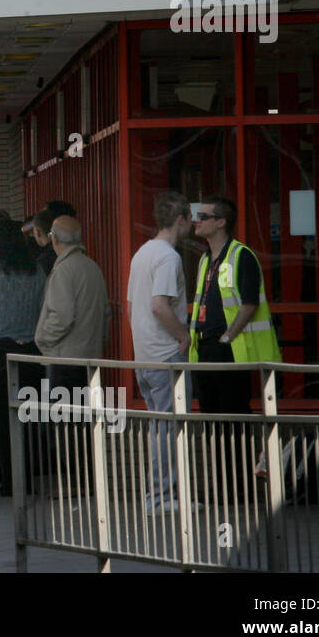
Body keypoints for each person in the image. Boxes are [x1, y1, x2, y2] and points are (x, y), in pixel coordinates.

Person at [127, 190, 194, 515]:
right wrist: (184, 337)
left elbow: (132, 307)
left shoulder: (142, 253)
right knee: (169, 428)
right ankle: (162, 498)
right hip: (166, 355)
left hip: (144, 355)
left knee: (159, 427)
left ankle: (158, 495)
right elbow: (159, 305)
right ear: (180, 219)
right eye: (190, 219)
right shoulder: (169, 257)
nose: (192, 226)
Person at [189, 196, 280, 411]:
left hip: (229, 349)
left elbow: (250, 304)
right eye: (197, 216)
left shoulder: (241, 255)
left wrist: (227, 337)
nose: (197, 221)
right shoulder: (205, 258)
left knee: (233, 411)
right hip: (205, 348)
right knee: (209, 413)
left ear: (221, 222)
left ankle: (237, 446)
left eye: (203, 216)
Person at [0, 220, 47, 495]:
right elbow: (43, 311)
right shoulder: (37, 272)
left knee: (4, 418)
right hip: (30, 352)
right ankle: (28, 478)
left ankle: (10, 481)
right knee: (28, 418)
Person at [35, 215, 109, 390]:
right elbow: (106, 313)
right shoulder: (93, 267)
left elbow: (61, 316)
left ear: (54, 238)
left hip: (65, 358)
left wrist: (42, 339)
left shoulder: (63, 271)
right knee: (85, 415)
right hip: (91, 357)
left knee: (64, 415)